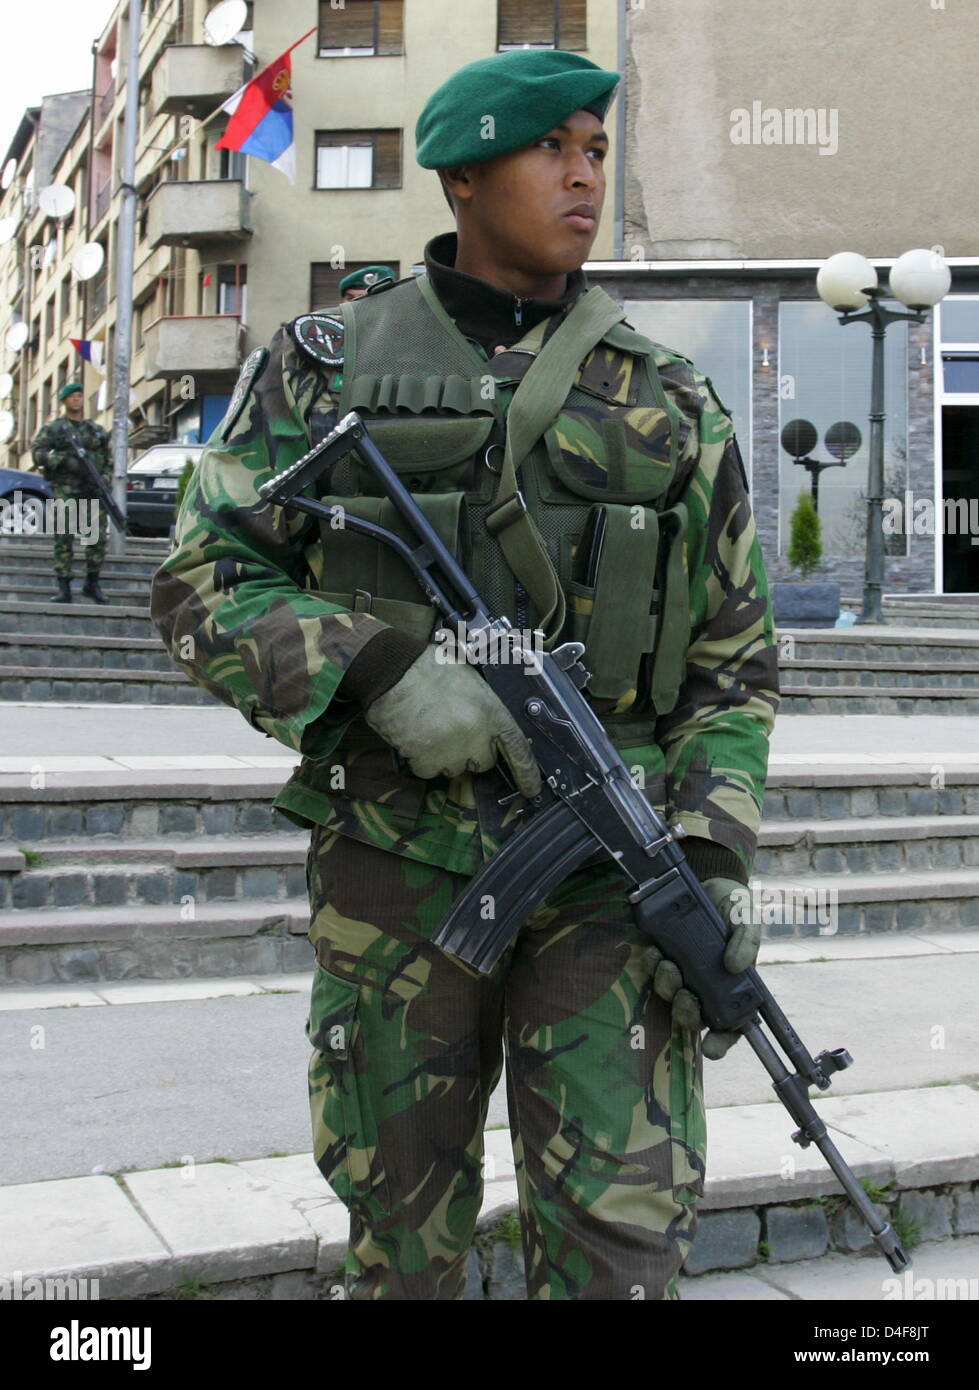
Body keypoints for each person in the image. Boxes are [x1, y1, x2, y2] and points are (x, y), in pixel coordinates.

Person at [150, 48, 780, 1301]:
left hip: (613, 871)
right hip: (396, 867)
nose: (584, 174)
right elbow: (201, 578)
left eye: (597, 149)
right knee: (402, 1231)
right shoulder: (325, 364)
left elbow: (733, 660)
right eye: (552, 149)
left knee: (622, 1236)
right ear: (464, 175)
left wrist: (711, 852)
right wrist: (378, 669)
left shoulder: (669, 399)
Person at [30, 382, 112, 604]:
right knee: (64, 536)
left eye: (79, 396)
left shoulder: (95, 430)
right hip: (65, 488)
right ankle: (64, 587)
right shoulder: (55, 429)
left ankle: (91, 584)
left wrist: (104, 477)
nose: (76, 399)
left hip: (92, 490)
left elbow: (107, 457)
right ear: (64, 401)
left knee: (96, 537)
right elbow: (37, 452)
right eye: (72, 397)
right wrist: (63, 460)